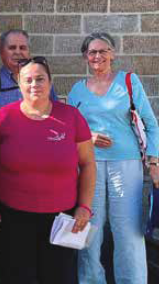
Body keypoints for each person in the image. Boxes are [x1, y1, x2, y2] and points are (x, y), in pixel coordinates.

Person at [0, 56, 96, 284]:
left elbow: (88, 164)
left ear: (50, 83)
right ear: (20, 84)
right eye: (28, 80)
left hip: (61, 218)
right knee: (15, 276)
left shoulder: (71, 117)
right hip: (12, 218)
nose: (35, 85)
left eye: (40, 79)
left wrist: (84, 206)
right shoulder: (2, 118)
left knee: (58, 277)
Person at [67, 33, 159, 284]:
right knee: (88, 230)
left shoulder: (128, 82)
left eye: (103, 51)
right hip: (88, 166)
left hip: (125, 165)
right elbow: (70, 130)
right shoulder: (77, 90)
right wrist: (89, 136)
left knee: (128, 232)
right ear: (85, 56)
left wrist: (154, 162)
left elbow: (152, 124)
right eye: (92, 52)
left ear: (113, 53)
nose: (98, 56)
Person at [0, 29, 59, 119]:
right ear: (1, 52)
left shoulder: (41, 80)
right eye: (12, 48)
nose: (18, 52)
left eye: (22, 48)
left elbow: (56, 114)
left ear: (28, 52)